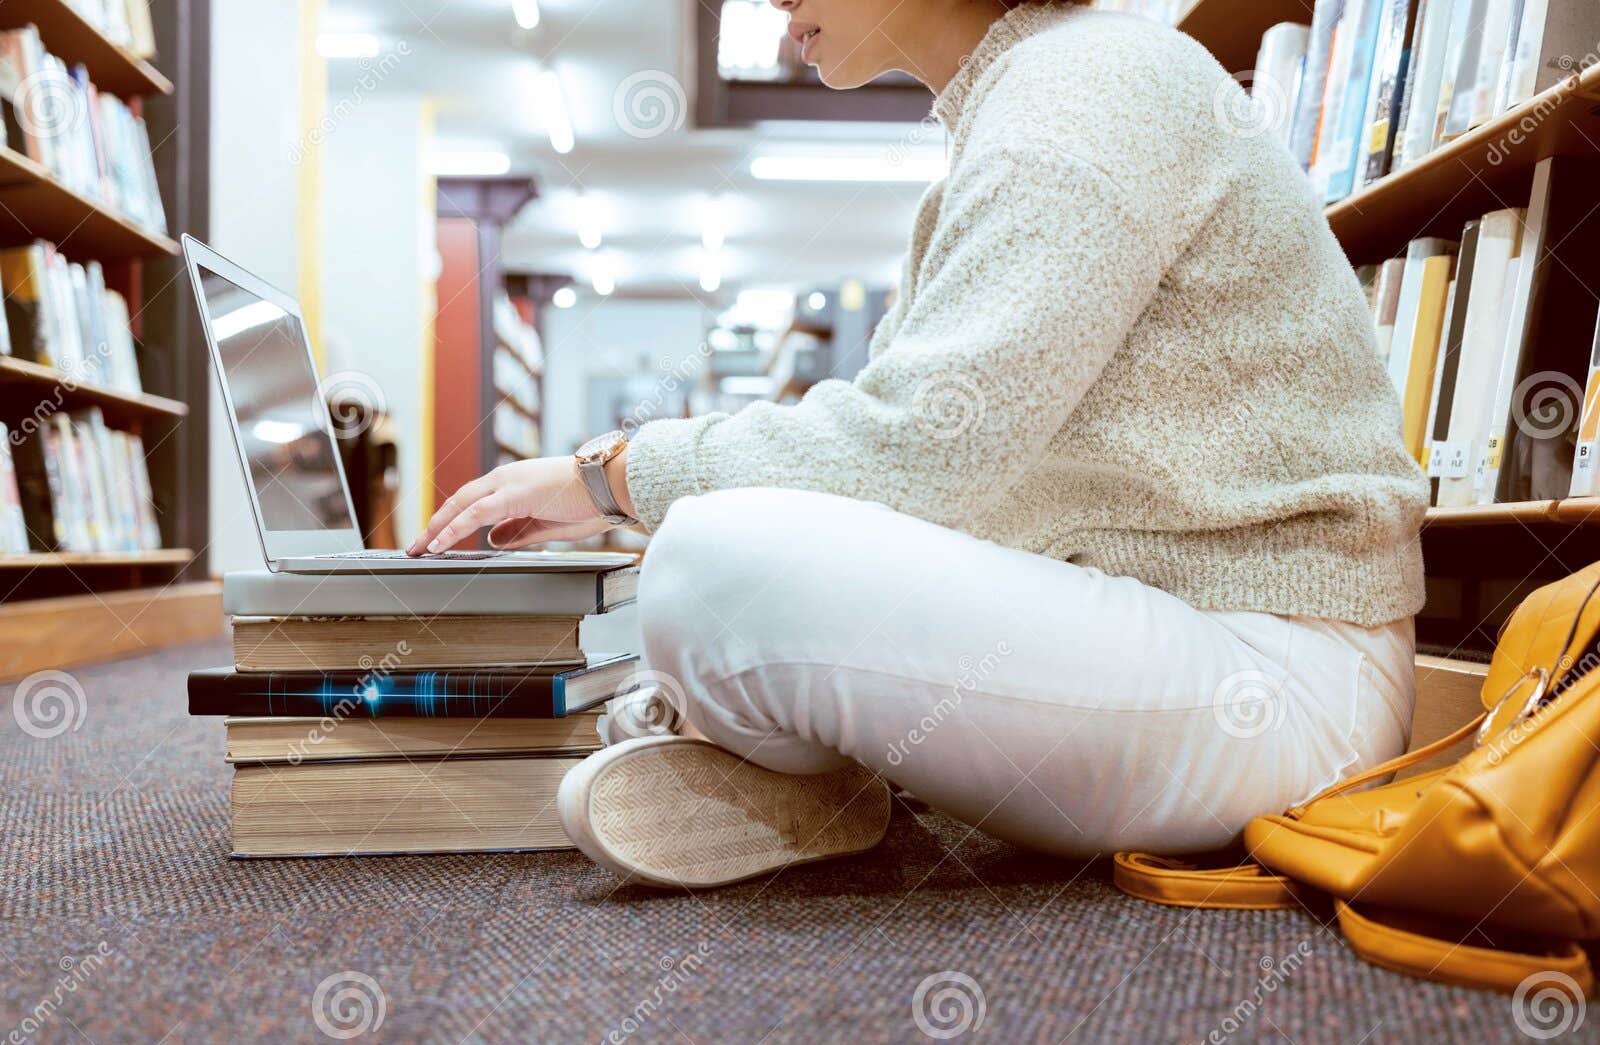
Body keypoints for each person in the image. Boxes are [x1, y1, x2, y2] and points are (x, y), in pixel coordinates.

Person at [410, 0, 1428, 890]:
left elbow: (920, 454)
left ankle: (804, 768)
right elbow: (920, 462)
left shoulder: (1081, 92)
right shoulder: (1032, 95)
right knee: (701, 589)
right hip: (1186, 644)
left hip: (1278, 685)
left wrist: (613, 474)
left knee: (706, 565)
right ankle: (809, 766)